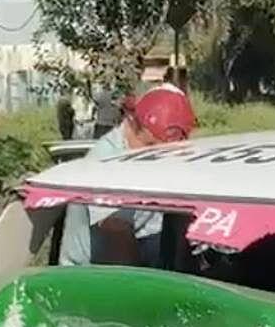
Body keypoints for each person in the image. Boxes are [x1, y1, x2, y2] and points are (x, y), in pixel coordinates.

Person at [59, 87, 197, 266]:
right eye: (152, 145)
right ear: (135, 124)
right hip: (95, 275)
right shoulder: (107, 162)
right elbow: (116, 242)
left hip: (145, 250)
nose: (163, 157)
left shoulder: (153, 155)